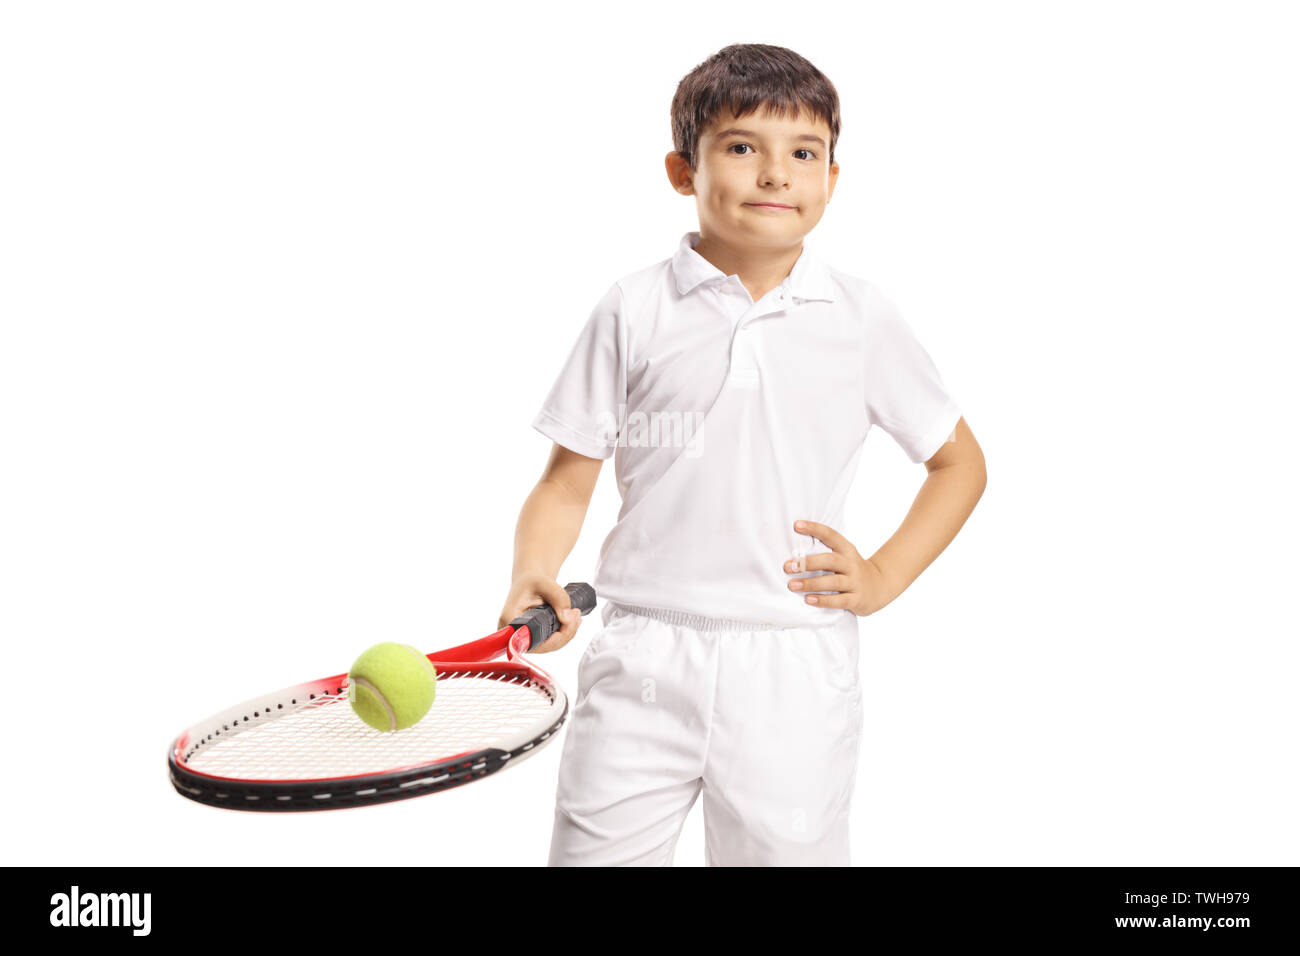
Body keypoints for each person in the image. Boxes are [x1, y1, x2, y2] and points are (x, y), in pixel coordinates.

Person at [498, 43, 987, 866]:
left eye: (804, 153)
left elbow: (959, 463)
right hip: (642, 653)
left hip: (793, 662)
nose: (776, 174)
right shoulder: (633, 307)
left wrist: (884, 575)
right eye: (740, 147)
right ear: (681, 171)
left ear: (833, 177)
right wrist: (531, 570)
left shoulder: (860, 316)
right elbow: (565, 480)